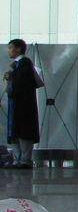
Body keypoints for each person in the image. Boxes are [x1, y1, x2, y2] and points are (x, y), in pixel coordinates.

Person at [5, 39, 41, 168]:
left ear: (18, 49)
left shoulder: (24, 63)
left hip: (23, 106)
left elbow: (22, 82)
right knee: (16, 132)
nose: (9, 51)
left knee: (23, 132)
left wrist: (11, 77)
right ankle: (18, 159)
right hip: (17, 105)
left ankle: (24, 160)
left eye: (11, 48)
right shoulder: (17, 65)